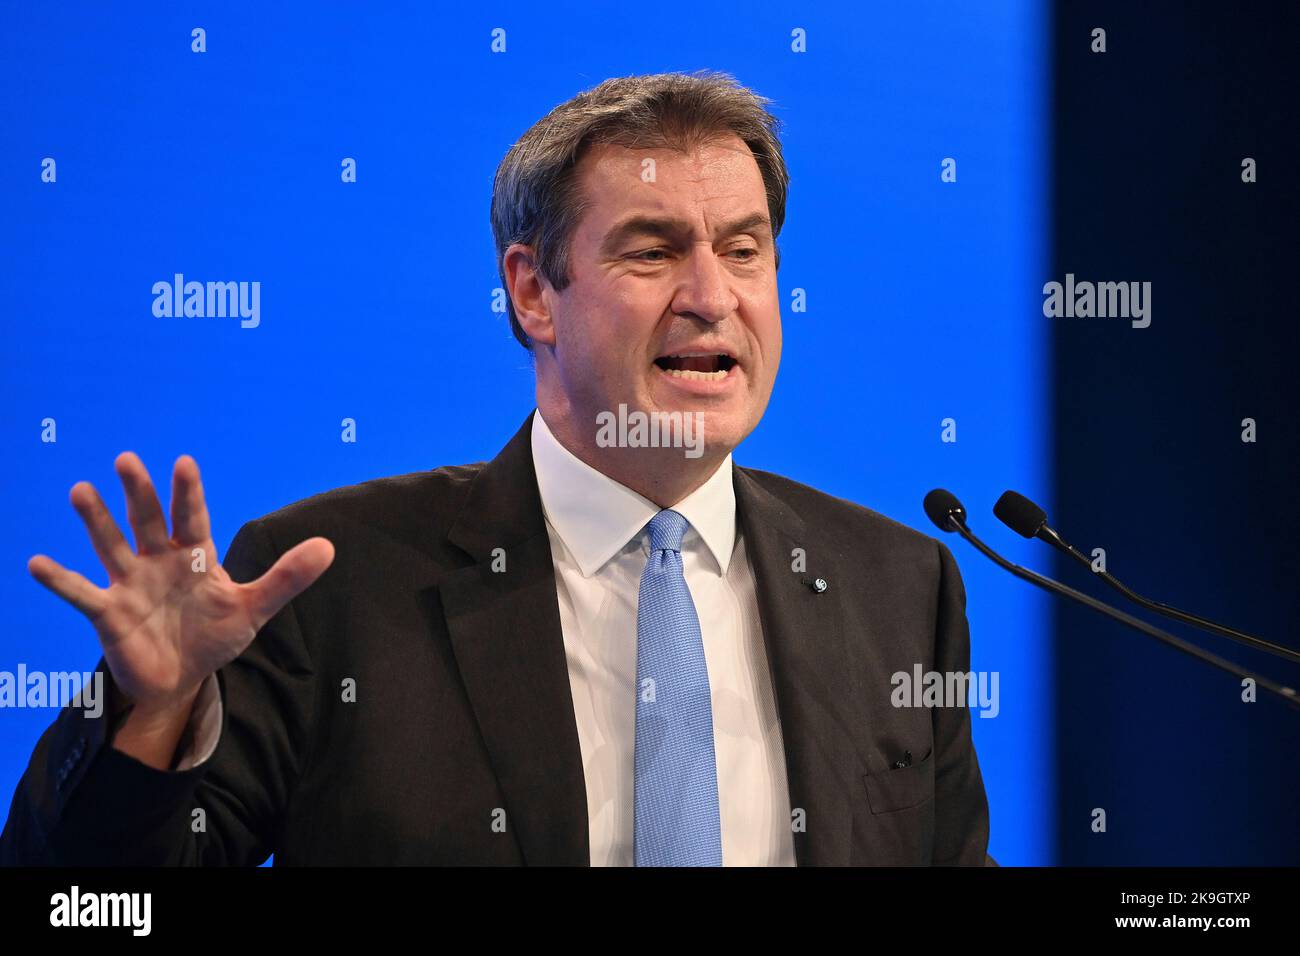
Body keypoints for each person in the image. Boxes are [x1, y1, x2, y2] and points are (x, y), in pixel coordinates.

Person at [1, 71, 992, 866]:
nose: (712, 295)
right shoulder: (327, 582)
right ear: (532, 294)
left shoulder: (895, 585)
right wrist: (155, 709)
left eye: (745, 249)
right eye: (652, 252)